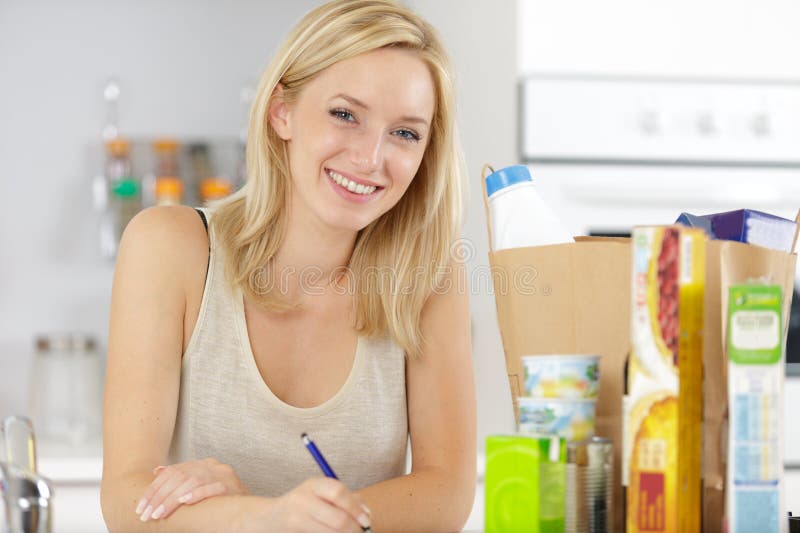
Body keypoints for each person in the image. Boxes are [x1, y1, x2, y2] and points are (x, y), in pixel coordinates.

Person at [100, 0, 476, 531]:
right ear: (282, 111)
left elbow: (446, 495)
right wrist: (269, 517)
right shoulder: (169, 247)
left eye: (405, 133)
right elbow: (126, 500)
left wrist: (280, 518)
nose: (371, 158)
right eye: (345, 115)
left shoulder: (430, 276)